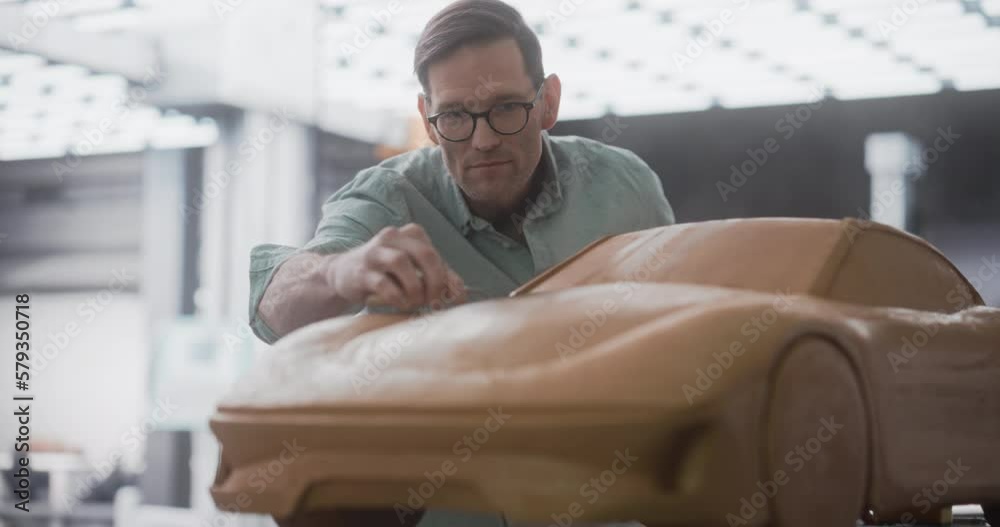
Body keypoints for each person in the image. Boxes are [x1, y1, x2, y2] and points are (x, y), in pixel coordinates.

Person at [254, 0, 674, 525]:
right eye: (454, 115)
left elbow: (681, 335)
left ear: (548, 102)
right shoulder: (388, 199)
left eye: (505, 108)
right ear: (428, 122)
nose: (483, 139)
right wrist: (342, 270)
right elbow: (276, 304)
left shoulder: (624, 188)